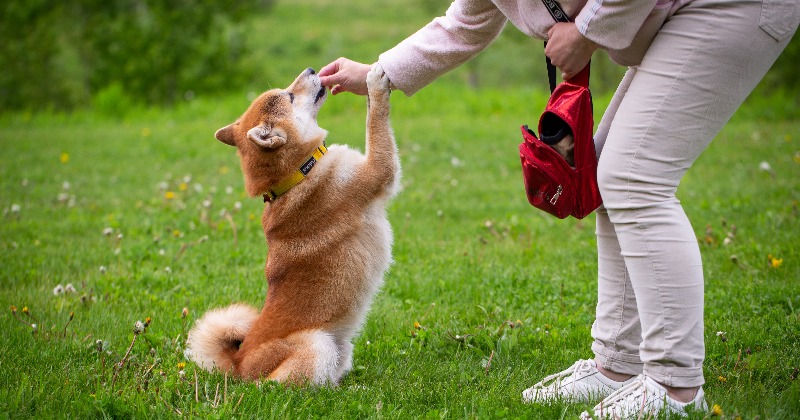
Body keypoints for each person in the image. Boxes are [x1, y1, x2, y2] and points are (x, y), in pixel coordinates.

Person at [319, 0, 798, 417]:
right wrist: (377, 74)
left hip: (729, 8)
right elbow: (464, 23)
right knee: (609, 175)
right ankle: (618, 365)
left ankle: (675, 386)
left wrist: (587, 32)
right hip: (685, 14)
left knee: (634, 178)